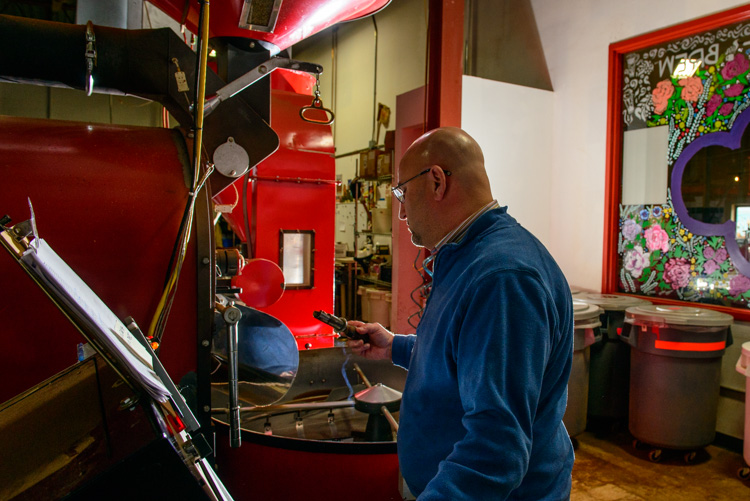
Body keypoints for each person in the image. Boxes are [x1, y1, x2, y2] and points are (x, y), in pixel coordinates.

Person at [348, 127, 574, 499]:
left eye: (402, 193)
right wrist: (395, 347)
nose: (401, 212)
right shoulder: (468, 255)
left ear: (436, 181)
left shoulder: (502, 278)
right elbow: (465, 357)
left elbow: (495, 447)